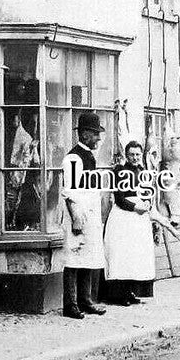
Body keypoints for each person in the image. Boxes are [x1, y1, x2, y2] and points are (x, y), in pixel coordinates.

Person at [103, 141, 180, 305]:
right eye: (131, 154)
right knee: (122, 254)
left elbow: (148, 194)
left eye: (137, 154)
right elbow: (119, 198)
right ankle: (119, 294)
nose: (135, 157)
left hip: (140, 219)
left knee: (136, 254)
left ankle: (131, 291)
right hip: (123, 217)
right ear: (126, 155)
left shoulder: (143, 172)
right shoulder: (119, 171)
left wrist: (148, 205)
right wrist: (135, 207)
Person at [61, 112, 109, 318]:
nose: (98, 138)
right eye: (95, 134)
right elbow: (69, 191)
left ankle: (85, 300)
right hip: (78, 214)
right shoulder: (73, 157)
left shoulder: (89, 155)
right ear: (85, 134)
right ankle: (70, 305)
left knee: (88, 257)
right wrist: (76, 217)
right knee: (73, 259)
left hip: (90, 214)